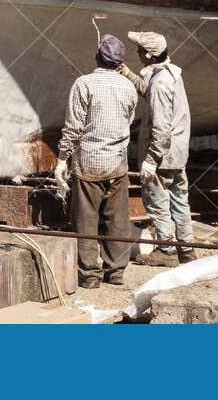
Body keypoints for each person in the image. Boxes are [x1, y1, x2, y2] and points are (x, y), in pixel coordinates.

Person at [56, 34, 140, 288]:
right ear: (119, 62)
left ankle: (90, 276)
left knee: (86, 218)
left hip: (89, 161)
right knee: (117, 219)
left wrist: (62, 159)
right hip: (117, 162)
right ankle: (115, 272)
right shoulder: (129, 87)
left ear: (97, 57)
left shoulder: (84, 84)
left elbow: (73, 127)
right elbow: (128, 121)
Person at [129, 30, 194, 267]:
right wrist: (129, 74)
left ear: (148, 55)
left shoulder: (160, 83)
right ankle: (187, 250)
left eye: (139, 50)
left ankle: (165, 251)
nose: (136, 53)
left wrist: (151, 159)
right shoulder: (171, 74)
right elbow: (151, 94)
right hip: (177, 153)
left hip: (162, 154)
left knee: (157, 200)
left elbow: (161, 126)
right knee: (180, 200)